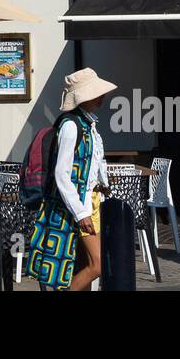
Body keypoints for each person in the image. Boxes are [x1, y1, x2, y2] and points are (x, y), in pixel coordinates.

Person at [27, 68, 116, 291]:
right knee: (98, 265)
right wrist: (80, 212)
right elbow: (61, 174)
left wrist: (104, 189)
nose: (102, 96)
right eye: (96, 92)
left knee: (83, 264)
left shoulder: (88, 124)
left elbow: (95, 163)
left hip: (93, 201)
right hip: (78, 206)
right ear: (83, 97)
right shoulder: (70, 126)